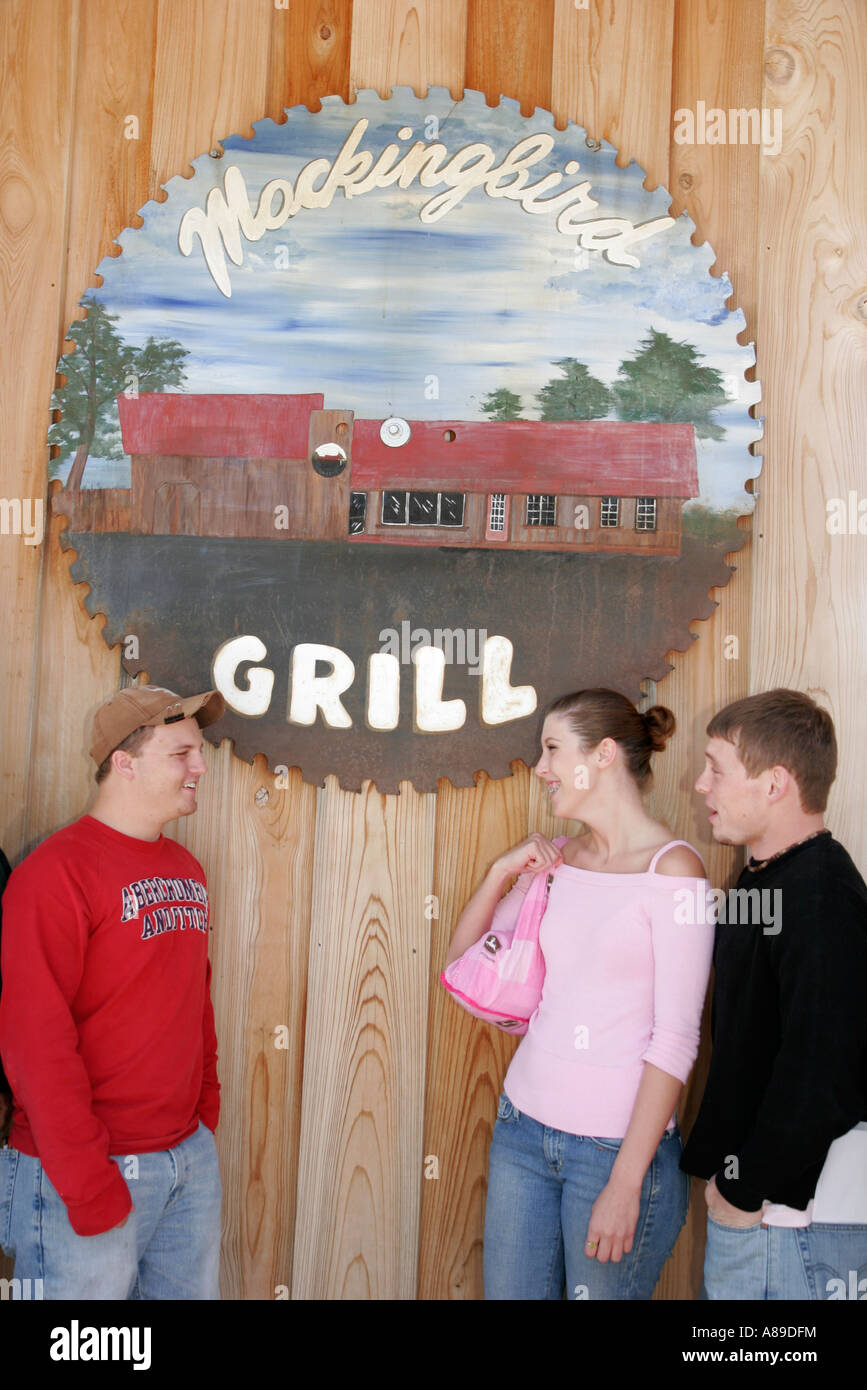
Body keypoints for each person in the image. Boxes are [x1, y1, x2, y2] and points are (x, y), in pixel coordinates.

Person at [445, 688, 715, 1300]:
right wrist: (500, 873)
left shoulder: (674, 873)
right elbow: (462, 963)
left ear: (606, 755)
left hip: (612, 1154)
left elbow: (676, 1040)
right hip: (521, 1132)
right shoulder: (560, 860)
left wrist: (625, 1183)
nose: (540, 768)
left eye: (551, 749)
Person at [0, 684, 226, 1300]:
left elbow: (194, 1006)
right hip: (80, 1171)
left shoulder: (186, 869)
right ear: (124, 763)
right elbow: (34, 1042)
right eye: (182, 753)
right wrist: (85, 1179)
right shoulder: (54, 874)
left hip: (186, 1163)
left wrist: (202, 1122)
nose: (200, 767)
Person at [681, 688, 867, 1300]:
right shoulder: (770, 875)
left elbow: (824, 1069)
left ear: (775, 783)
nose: (701, 785)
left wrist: (743, 1189)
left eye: (717, 768)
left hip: (787, 1226)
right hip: (763, 1216)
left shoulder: (819, 894)